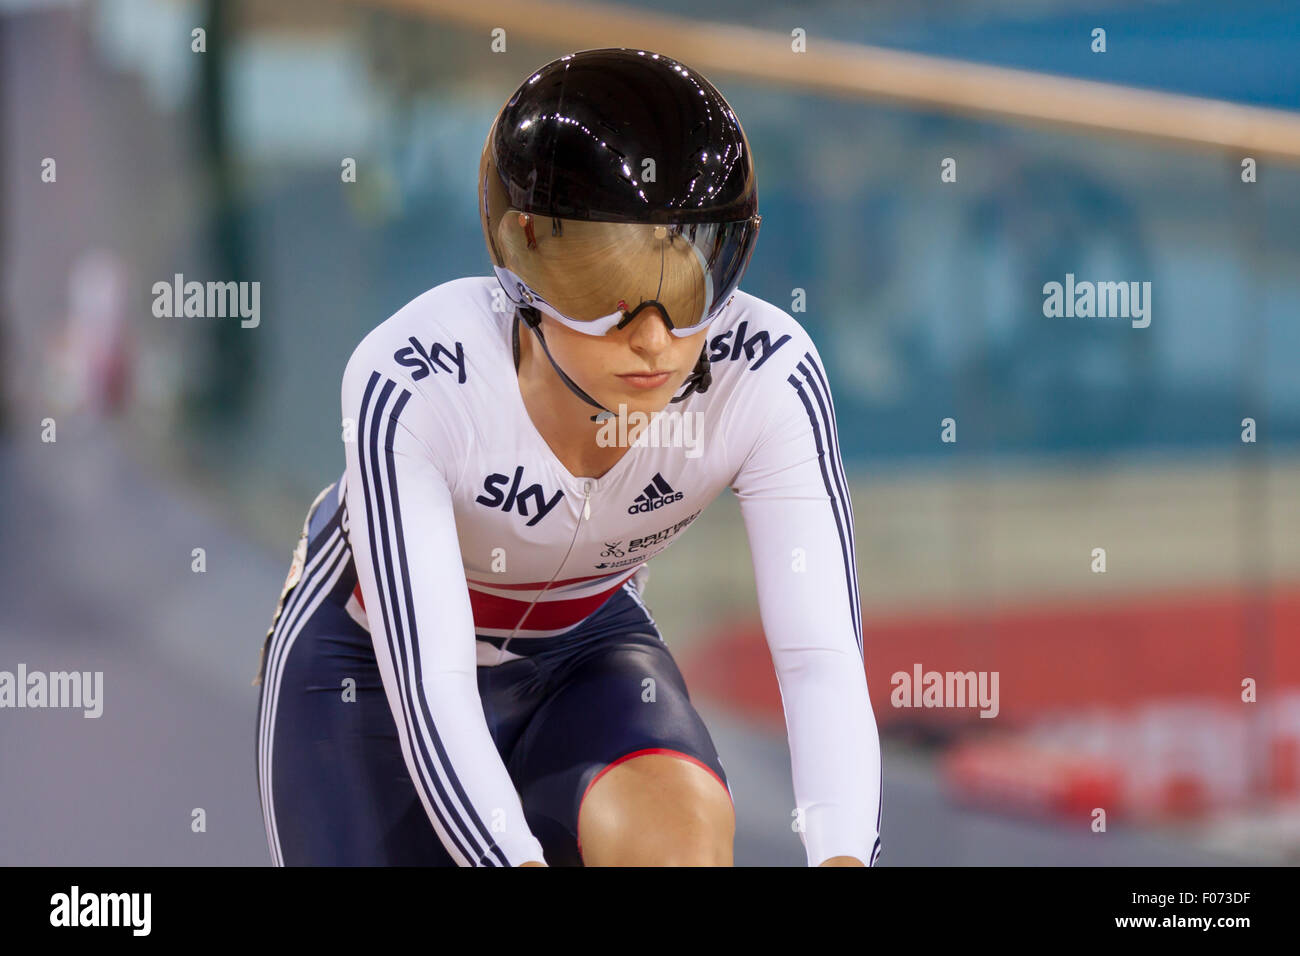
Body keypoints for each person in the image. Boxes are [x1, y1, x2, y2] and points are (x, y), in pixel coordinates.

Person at [254, 47, 881, 867]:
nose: (655, 338)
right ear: (522, 265)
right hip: (369, 663)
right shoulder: (410, 379)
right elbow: (433, 688)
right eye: (604, 292)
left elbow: (820, 658)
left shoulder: (769, 373)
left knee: (677, 841)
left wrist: (842, 858)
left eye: (691, 279)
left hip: (585, 645)